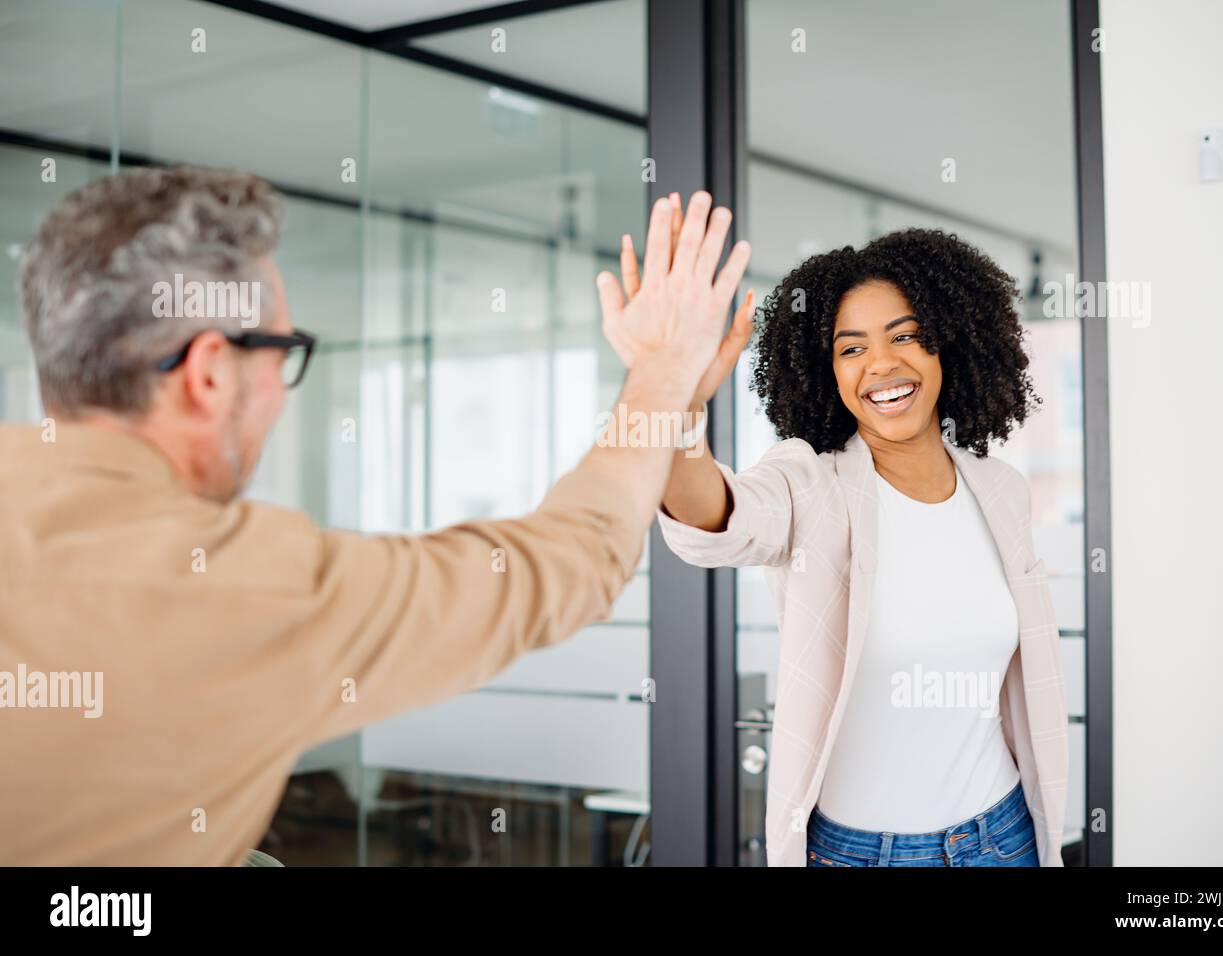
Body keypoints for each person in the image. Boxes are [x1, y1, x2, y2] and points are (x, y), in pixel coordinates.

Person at [0, 167, 750, 865]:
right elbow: (569, 559)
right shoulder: (244, 590)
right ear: (208, 374)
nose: (283, 392)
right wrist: (659, 375)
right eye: (283, 350)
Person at [606, 228, 1069, 867]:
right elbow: (717, 518)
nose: (881, 364)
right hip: (858, 854)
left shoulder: (1001, 491)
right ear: (827, 370)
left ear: (950, 346)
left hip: (1001, 835)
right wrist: (673, 401)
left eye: (904, 336)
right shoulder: (811, 483)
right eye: (851, 348)